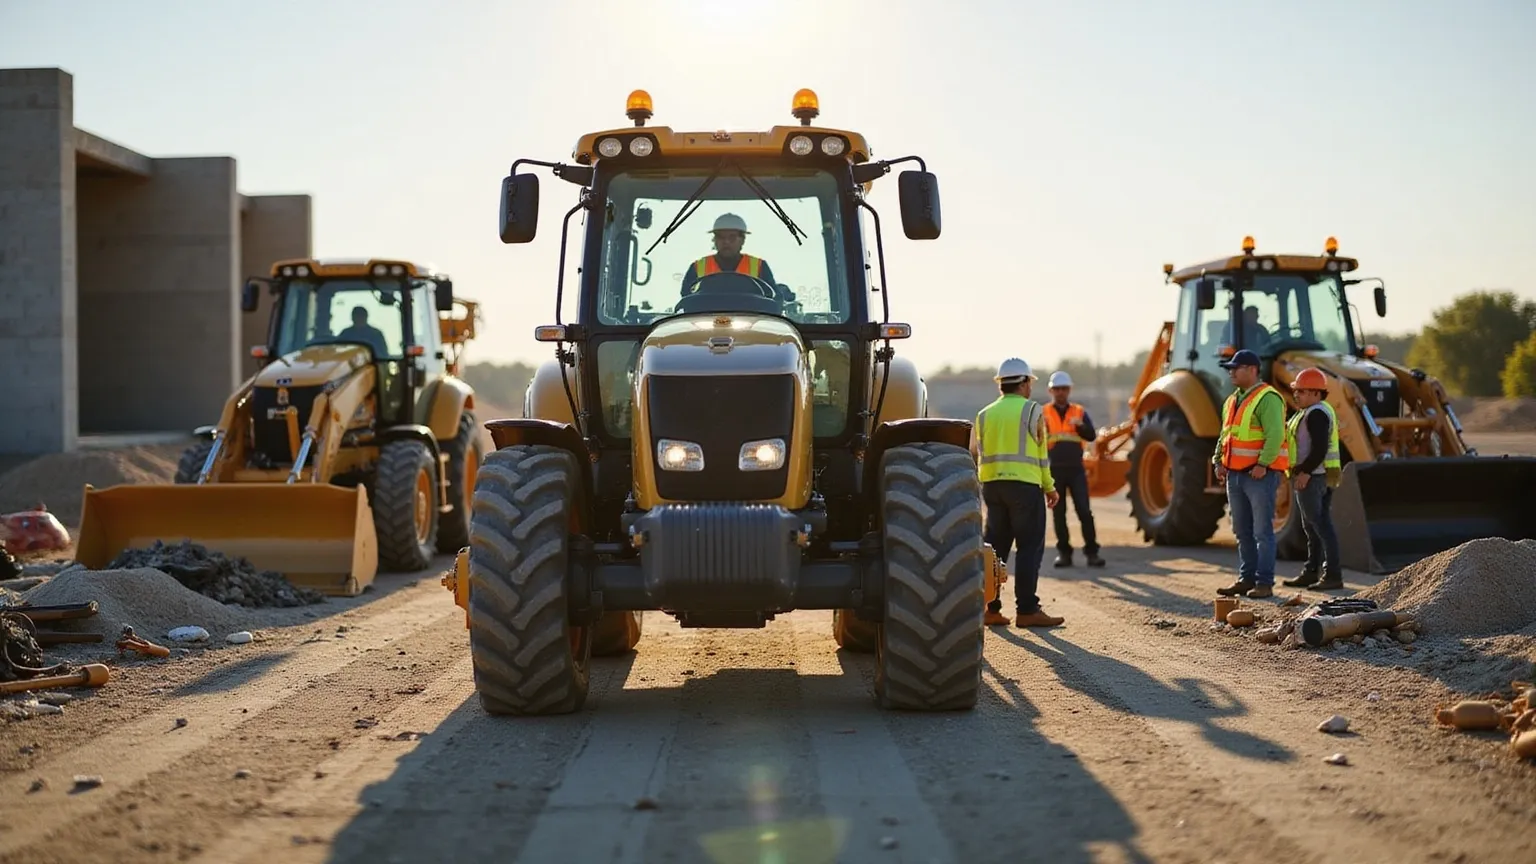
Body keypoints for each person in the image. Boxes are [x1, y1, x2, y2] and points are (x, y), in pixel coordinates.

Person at [971, 357, 1064, 628]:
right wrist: (1050, 487)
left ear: (1001, 384)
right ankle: (1027, 609)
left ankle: (990, 608)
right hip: (1024, 487)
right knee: (1028, 547)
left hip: (992, 487)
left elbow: (980, 453)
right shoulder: (1033, 411)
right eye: (1029, 383)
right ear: (1023, 383)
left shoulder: (984, 414)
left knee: (995, 549)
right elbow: (1041, 455)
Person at [1212, 348, 1290, 599]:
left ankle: (1264, 583)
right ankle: (1246, 580)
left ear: (1253, 370)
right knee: (1242, 531)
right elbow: (1226, 435)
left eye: (1236, 368)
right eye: (1230, 369)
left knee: (1262, 532)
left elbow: (1276, 435)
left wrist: (1263, 464)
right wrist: (1218, 461)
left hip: (1258, 476)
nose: (1231, 372)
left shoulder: (1268, 398)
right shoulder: (1232, 400)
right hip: (1234, 476)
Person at [1282, 367, 1344, 591]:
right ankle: (1312, 571)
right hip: (1320, 476)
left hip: (1313, 477)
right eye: (1296, 391)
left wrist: (1305, 472)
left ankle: (1332, 574)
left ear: (1317, 393)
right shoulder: (1311, 411)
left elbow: (1318, 448)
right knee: (1313, 526)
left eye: (1302, 391)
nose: (1296, 395)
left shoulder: (1316, 413)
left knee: (1319, 525)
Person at [1042, 370, 1104, 568]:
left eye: (1064, 389)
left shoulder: (1079, 412)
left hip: (1076, 469)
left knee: (1084, 511)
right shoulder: (1043, 413)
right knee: (1058, 513)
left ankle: (1092, 553)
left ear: (1069, 390)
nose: (1060, 392)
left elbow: (1092, 436)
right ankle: (1064, 554)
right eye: (1057, 389)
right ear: (1051, 390)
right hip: (1055, 470)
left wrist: (1080, 427)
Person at [679, 213, 779, 298]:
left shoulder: (760, 267)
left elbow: (774, 299)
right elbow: (686, 300)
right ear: (714, 240)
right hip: (707, 318)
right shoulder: (697, 267)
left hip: (751, 318)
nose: (726, 242)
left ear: (742, 240)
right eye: (721, 237)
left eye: (732, 238)